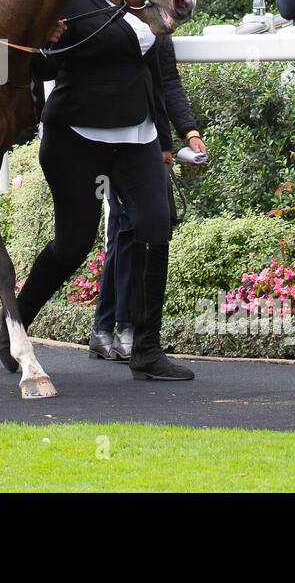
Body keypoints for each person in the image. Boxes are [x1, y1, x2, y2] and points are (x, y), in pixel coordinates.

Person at [0, 0, 206, 382]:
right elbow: (41, 69)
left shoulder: (149, 0)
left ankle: (146, 349)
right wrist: (46, 39)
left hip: (139, 139)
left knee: (154, 227)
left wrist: (187, 130)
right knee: (73, 244)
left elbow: (166, 78)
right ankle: (15, 324)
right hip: (76, 138)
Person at [91, 32, 202, 362]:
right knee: (126, 230)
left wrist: (188, 132)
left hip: (148, 144)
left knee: (126, 231)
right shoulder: (115, 24)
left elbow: (167, 84)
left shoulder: (158, 34)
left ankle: (109, 327)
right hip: (116, 140)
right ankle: (122, 326)